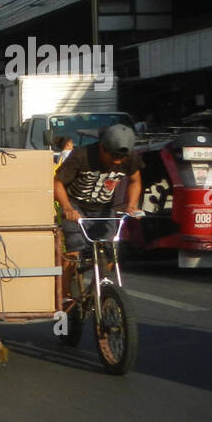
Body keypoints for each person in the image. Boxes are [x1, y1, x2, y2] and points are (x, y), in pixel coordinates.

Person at [54, 124, 142, 305]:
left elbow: (135, 180)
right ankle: (66, 295)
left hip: (103, 209)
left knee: (111, 251)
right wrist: (67, 208)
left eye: (121, 158)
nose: (117, 162)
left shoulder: (129, 158)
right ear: (102, 147)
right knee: (73, 251)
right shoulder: (81, 155)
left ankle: (101, 289)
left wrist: (131, 206)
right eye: (112, 157)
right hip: (75, 206)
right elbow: (57, 183)